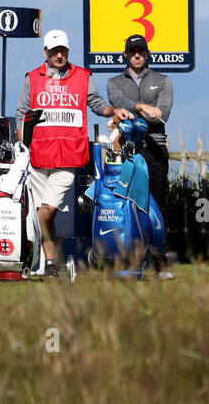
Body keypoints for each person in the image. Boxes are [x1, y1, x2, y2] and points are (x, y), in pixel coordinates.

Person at [14, 29, 130, 275]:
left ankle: (42, 259)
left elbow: (96, 103)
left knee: (47, 211)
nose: (59, 55)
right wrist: (23, 145)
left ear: (68, 51)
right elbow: (21, 114)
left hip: (68, 155)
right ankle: (49, 262)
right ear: (45, 52)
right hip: (37, 155)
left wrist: (113, 111)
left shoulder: (82, 77)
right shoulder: (32, 78)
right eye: (54, 51)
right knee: (40, 213)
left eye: (63, 51)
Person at [106, 34, 175, 276]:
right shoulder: (113, 82)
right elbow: (117, 102)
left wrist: (131, 110)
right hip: (127, 150)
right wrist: (143, 106)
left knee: (156, 205)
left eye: (141, 51)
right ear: (125, 54)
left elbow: (162, 113)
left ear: (147, 53)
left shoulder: (163, 81)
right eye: (132, 51)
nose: (136, 55)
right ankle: (132, 258)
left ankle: (158, 261)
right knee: (127, 205)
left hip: (155, 148)